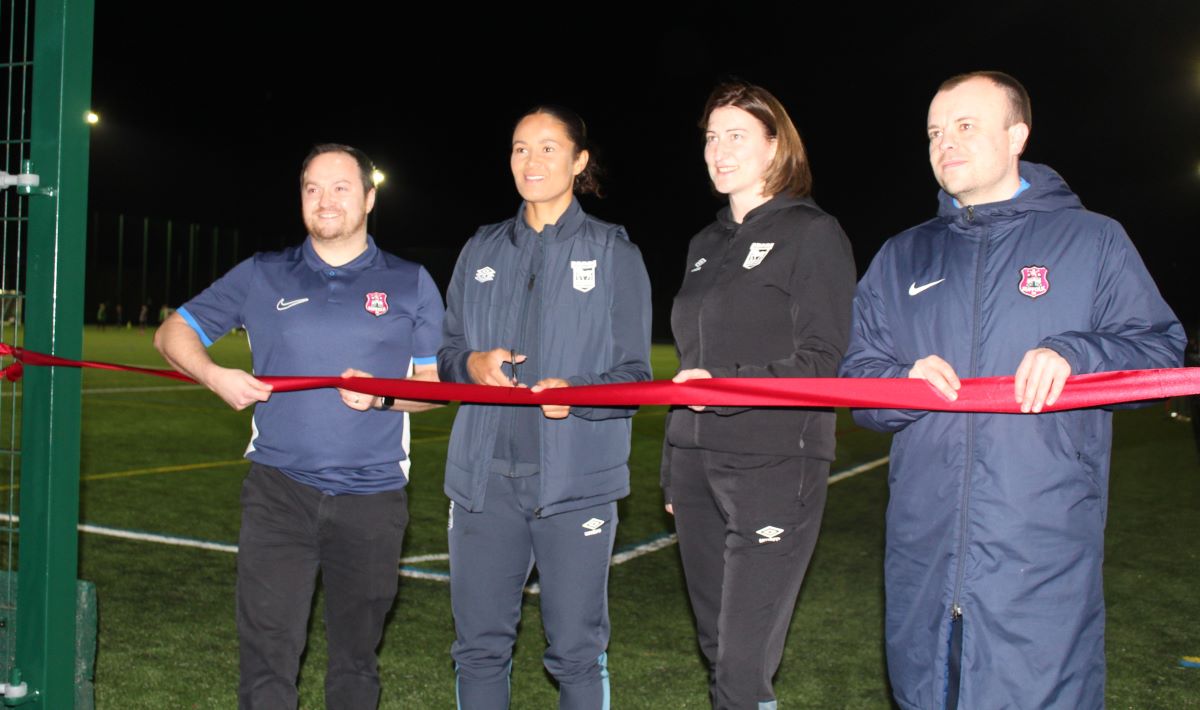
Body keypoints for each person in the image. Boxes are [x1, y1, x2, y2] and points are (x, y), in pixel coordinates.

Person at [838, 71, 1185, 709]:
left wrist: (1075, 354)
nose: (946, 142)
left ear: (1017, 134)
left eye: (966, 125)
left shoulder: (1093, 240)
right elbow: (858, 380)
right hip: (924, 555)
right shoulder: (902, 255)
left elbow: (1159, 351)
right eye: (936, 132)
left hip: (1041, 557)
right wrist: (900, 383)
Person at [154, 143, 444, 709]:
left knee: (356, 663)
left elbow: (434, 390)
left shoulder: (410, 282)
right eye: (312, 188)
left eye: (339, 187)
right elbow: (172, 333)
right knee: (266, 658)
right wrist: (215, 375)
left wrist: (384, 397)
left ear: (369, 196)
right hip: (278, 494)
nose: (324, 200)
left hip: (373, 496)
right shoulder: (263, 274)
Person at [438, 106, 652, 709]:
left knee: (577, 653)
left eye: (548, 148)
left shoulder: (614, 253)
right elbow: (448, 354)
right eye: (519, 148)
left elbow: (636, 377)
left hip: (575, 487)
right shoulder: (480, 247)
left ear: (579, 161)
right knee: (479, 648)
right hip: (482, 486)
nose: (531, 161)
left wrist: (577, 395)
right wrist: (472, 365)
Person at [661, 81, 856, 709]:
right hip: (694, 462)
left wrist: (725, 387)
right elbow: (689, 365)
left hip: (774, 460)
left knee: (742, 667)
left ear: (777, 146)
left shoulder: (813, 232)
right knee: (718, 648)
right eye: (712, 138)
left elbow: (824, 360)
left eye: (737, 136)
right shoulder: (703, 244)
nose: (718, 150)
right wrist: (672, 468)